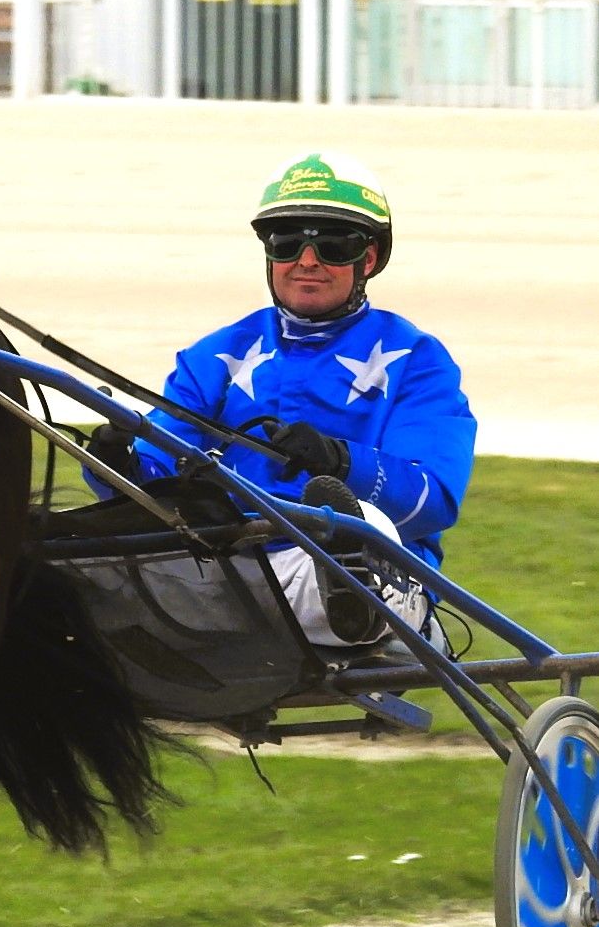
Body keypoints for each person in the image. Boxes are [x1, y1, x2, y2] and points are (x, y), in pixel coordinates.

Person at [87, 151, 477, 648]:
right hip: (228, 574)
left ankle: (353, 586)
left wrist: (342, 463)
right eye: (288, 242)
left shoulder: (418, 360)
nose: (308, 261)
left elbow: (434, 502)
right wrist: (112, 464)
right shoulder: (214, 356)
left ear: (370, 259)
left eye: (334, 245)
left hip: (360, 575)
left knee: (335, 556)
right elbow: (153, 496)